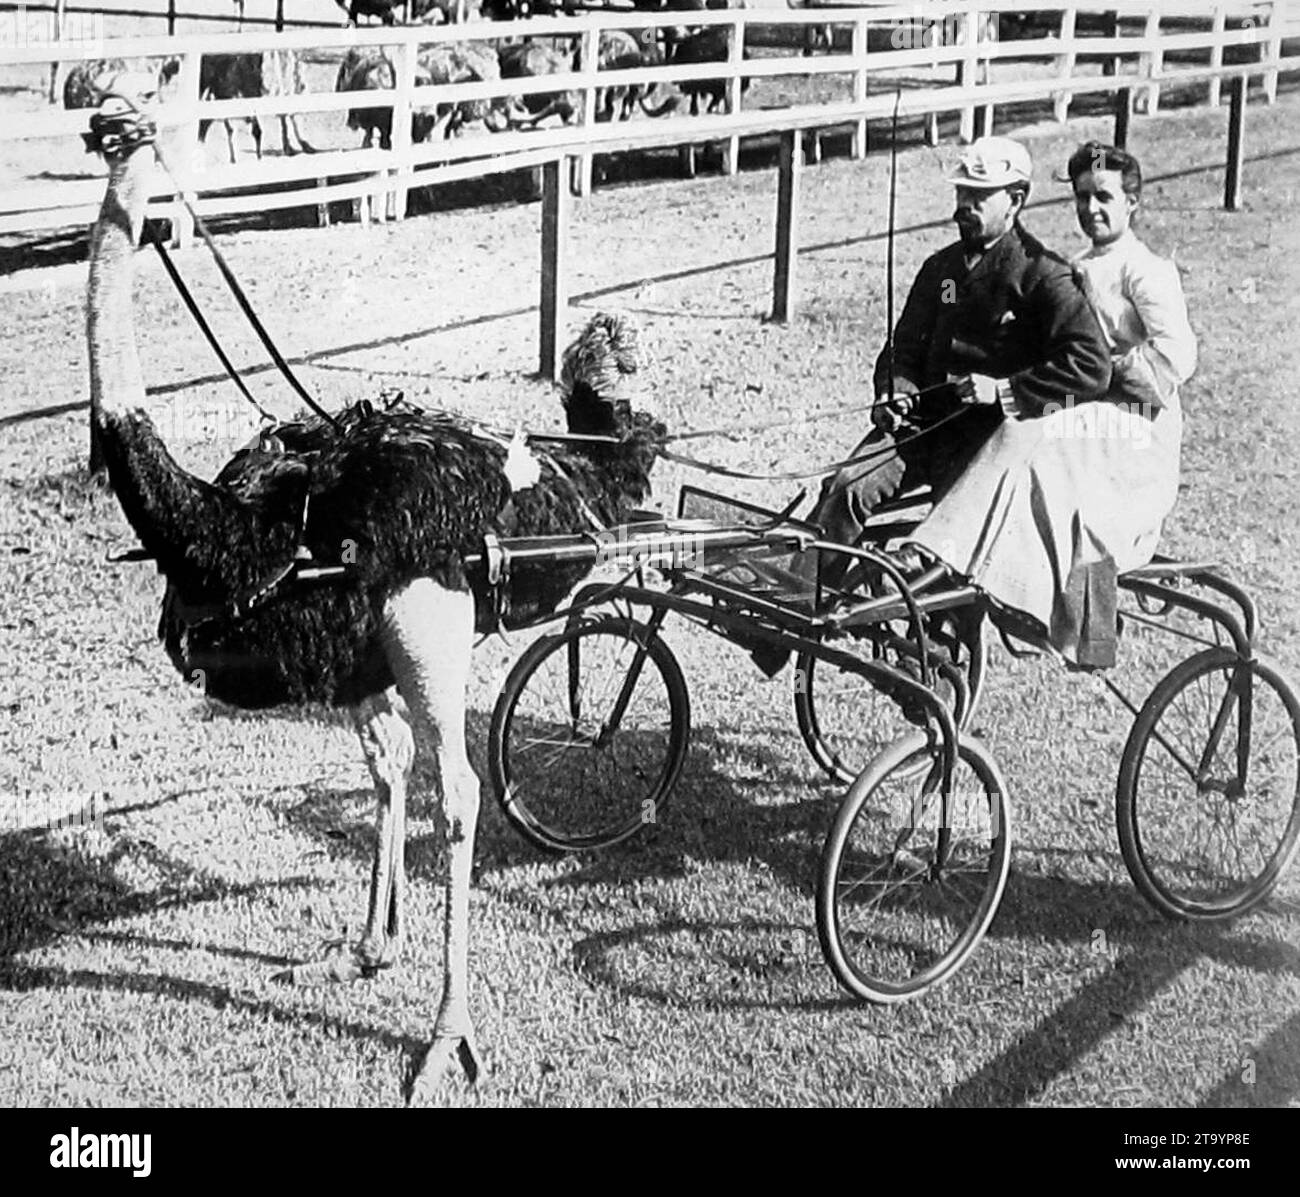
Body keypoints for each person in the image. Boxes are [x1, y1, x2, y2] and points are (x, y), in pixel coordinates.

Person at [749, 135, 1111, 676]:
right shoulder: (942, 271)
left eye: (978, 196)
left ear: (1015, 199)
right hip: (920, 429)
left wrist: (1006, 390)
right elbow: (906, 347)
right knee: (847, 489)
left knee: (948, 550)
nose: (963, 206)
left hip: (986, 446)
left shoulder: (1042, 277)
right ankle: (796, 617)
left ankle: (938, 662)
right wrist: (893, 390)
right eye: (962, 192)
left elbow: (1091, 366)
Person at [906, 141, 1197, 667]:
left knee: (1024, 428)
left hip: (1137, 422)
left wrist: (1111, 367)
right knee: (1026, 427)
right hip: (1087, 410)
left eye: (1105, 197)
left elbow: (1175, 362)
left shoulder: (1145, 271)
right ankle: (983, 563)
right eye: (1083, 199)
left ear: (1133, 203)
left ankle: (947, 550)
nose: (1092, 210)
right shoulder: (1068, 267)